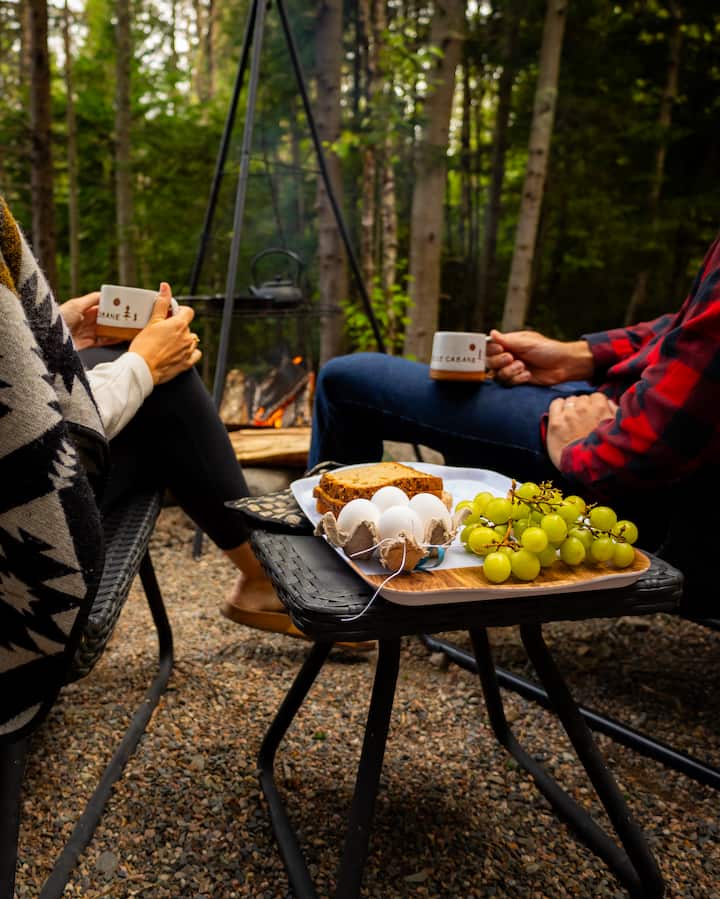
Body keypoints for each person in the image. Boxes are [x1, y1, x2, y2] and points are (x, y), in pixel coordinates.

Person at [309, 233, 720, 597]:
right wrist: (579, 356)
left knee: (344, 381)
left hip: (624, 444)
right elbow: (685, 326)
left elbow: (656, 437)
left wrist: (581, 450)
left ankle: (327, 593)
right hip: (617, 399)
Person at [0, 195, 320, 641]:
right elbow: (26, 427)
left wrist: (57, 332)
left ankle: (260, 569)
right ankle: (261, 578)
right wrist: (143, 368)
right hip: (17, 544)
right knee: (165, 386)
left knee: (117, 359)